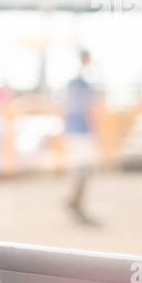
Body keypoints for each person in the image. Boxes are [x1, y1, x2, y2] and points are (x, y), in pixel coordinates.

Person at [62, 49, 101, 226]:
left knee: (80, 167)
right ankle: (75, 200)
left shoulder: (71, 83)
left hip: (72, 128)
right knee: (85, 167)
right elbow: (88, 109)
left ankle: (75, 200)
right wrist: (94, 130)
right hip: (82, 129)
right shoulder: (82, 84)